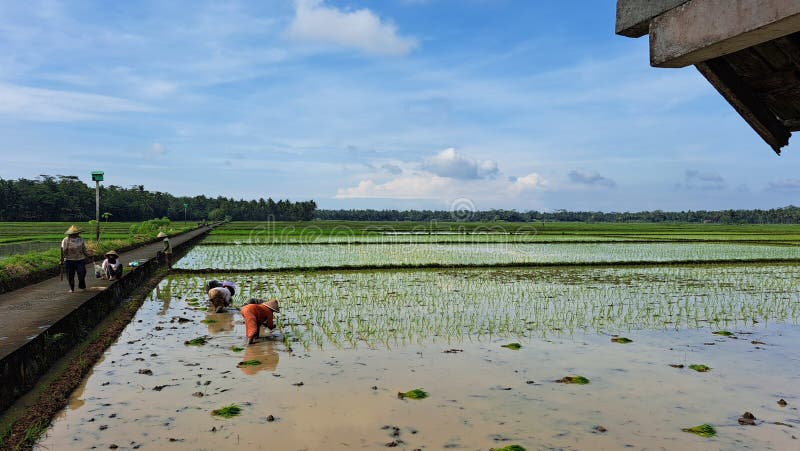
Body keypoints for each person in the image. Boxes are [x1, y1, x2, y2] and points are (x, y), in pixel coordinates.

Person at [61, 225, 90, 293]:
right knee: (70, 275)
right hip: (69, 260)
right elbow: (63, 251)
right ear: (71, 234)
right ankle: (72, 288)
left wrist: (88, 255)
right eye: (75, 233)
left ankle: (82, 286)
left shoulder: (81, 239)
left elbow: (84, 249)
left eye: (77, 233)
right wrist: (62, 259)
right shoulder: (66, 240)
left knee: (82, 273)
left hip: (80, 259)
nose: (77, 234)